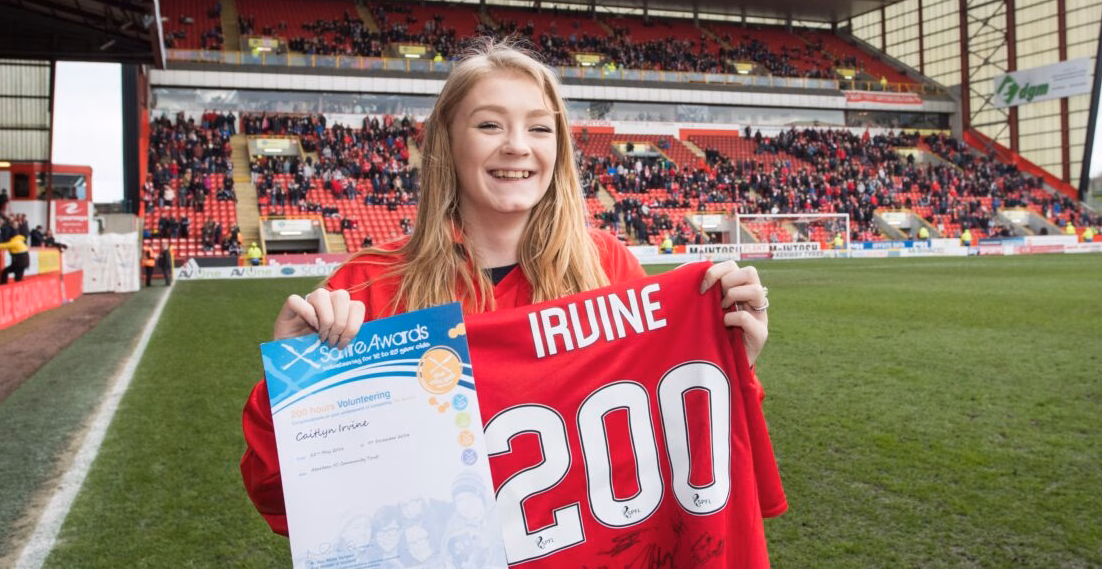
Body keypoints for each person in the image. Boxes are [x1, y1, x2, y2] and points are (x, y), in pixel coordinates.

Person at [240, 39, 772, 539]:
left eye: (540, 128)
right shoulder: (367, 287)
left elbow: (666, 451)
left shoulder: (607, 266)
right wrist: (293, 383)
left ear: (559, 147)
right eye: (490, 125)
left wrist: (724, 364)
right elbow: (289, 502)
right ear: (448, 141)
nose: (517, 146)